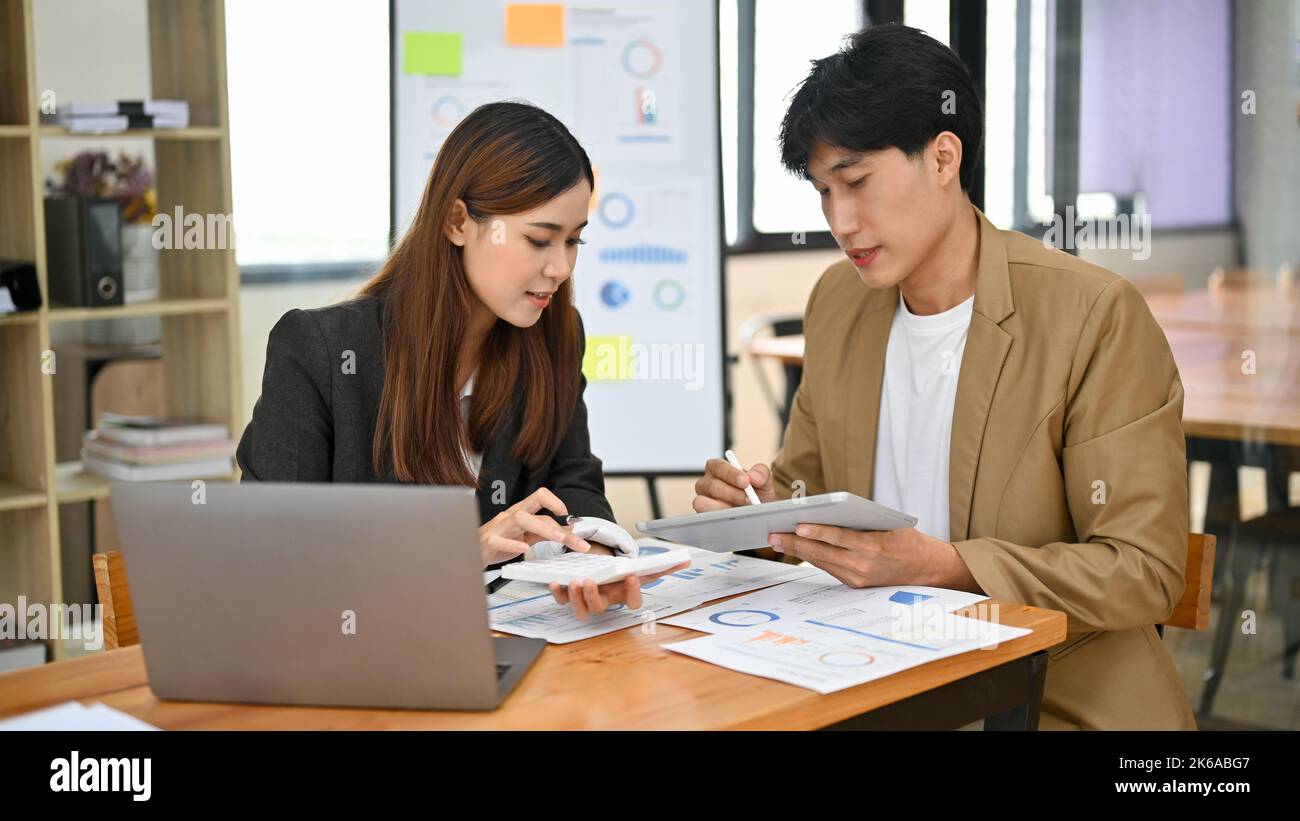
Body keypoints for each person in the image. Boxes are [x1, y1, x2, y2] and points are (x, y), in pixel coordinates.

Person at [692, 24, 1195, 729]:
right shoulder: (840, 302)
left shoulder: (1092, 316)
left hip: (1046, 693)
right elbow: (808, 486)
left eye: (857, 182)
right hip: (871, 679)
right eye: (822, 193)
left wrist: (946, 566)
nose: (841, 220)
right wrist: (760, 510)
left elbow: (1143, 570)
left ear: (943, 157)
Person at [238, 101, 683, 620]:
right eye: (539, 239)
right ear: (457, 222)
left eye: (574, 240)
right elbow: (271, 564)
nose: (561, 266)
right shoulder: (319, 350)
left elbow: (573, 481)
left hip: (508, 648)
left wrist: (595, 558)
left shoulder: (555, 335)